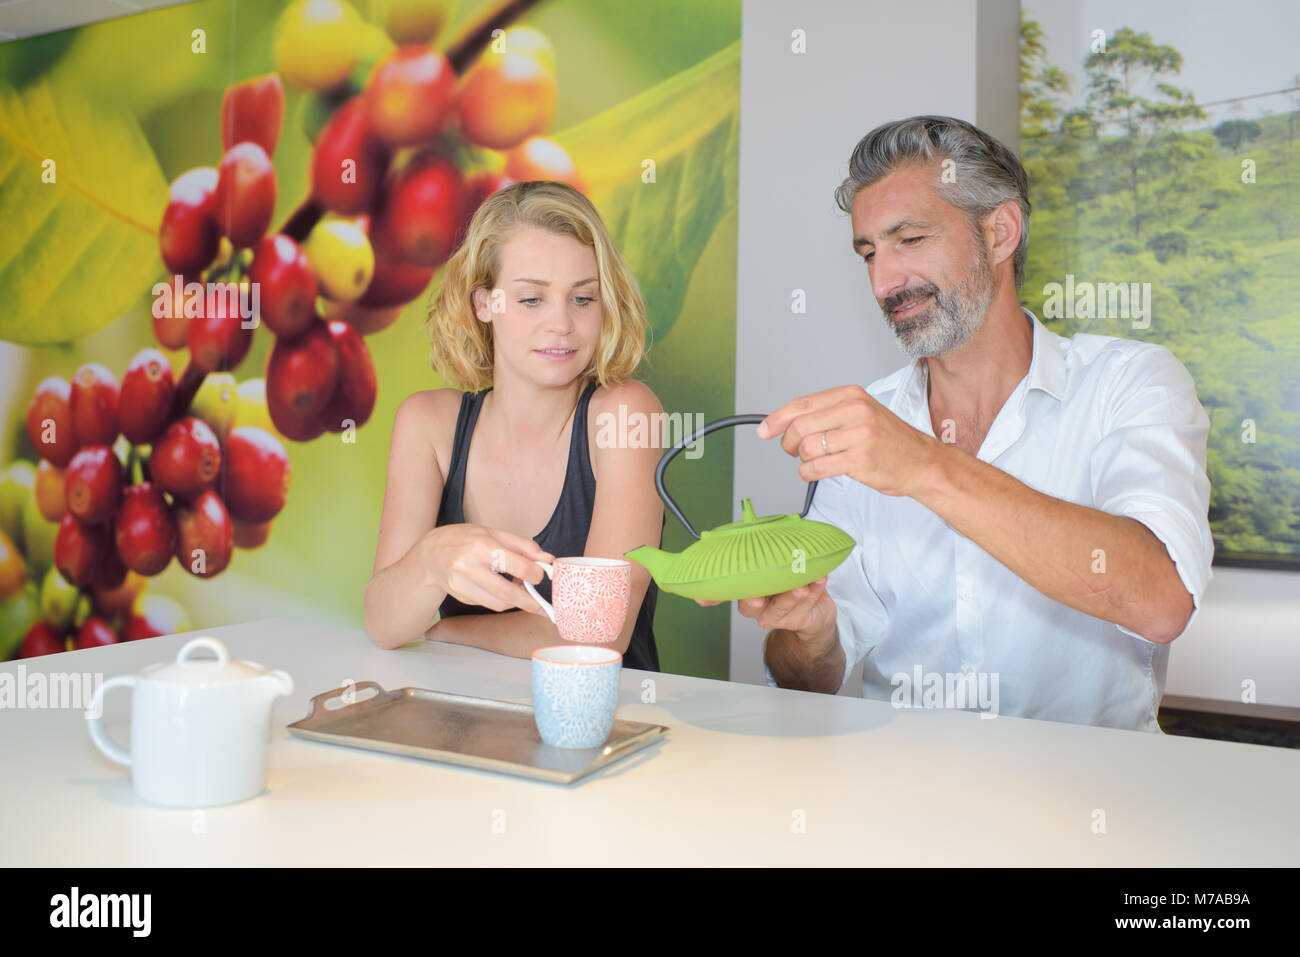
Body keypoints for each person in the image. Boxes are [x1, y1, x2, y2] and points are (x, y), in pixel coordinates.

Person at [733, 116, 1212, 731]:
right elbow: (810, 678)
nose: (883, 281)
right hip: (904, 796)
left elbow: (1162, 599)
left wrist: (927, 467)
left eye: (909, 240)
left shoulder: (1130, 383)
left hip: (1091, 804)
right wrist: (809, 630)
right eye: (869, 252)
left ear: (1000, 232)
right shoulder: (868, 426)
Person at [364, 180, 663, 670]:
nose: (561, 324)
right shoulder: (427, 423)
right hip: (460, 727)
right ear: (484, 304)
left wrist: (443, 631)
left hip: (603, 729)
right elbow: (383, 622)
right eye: (531, 300)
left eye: (582, 299)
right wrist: (429, 560)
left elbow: (596, 636)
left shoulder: (627, 414)